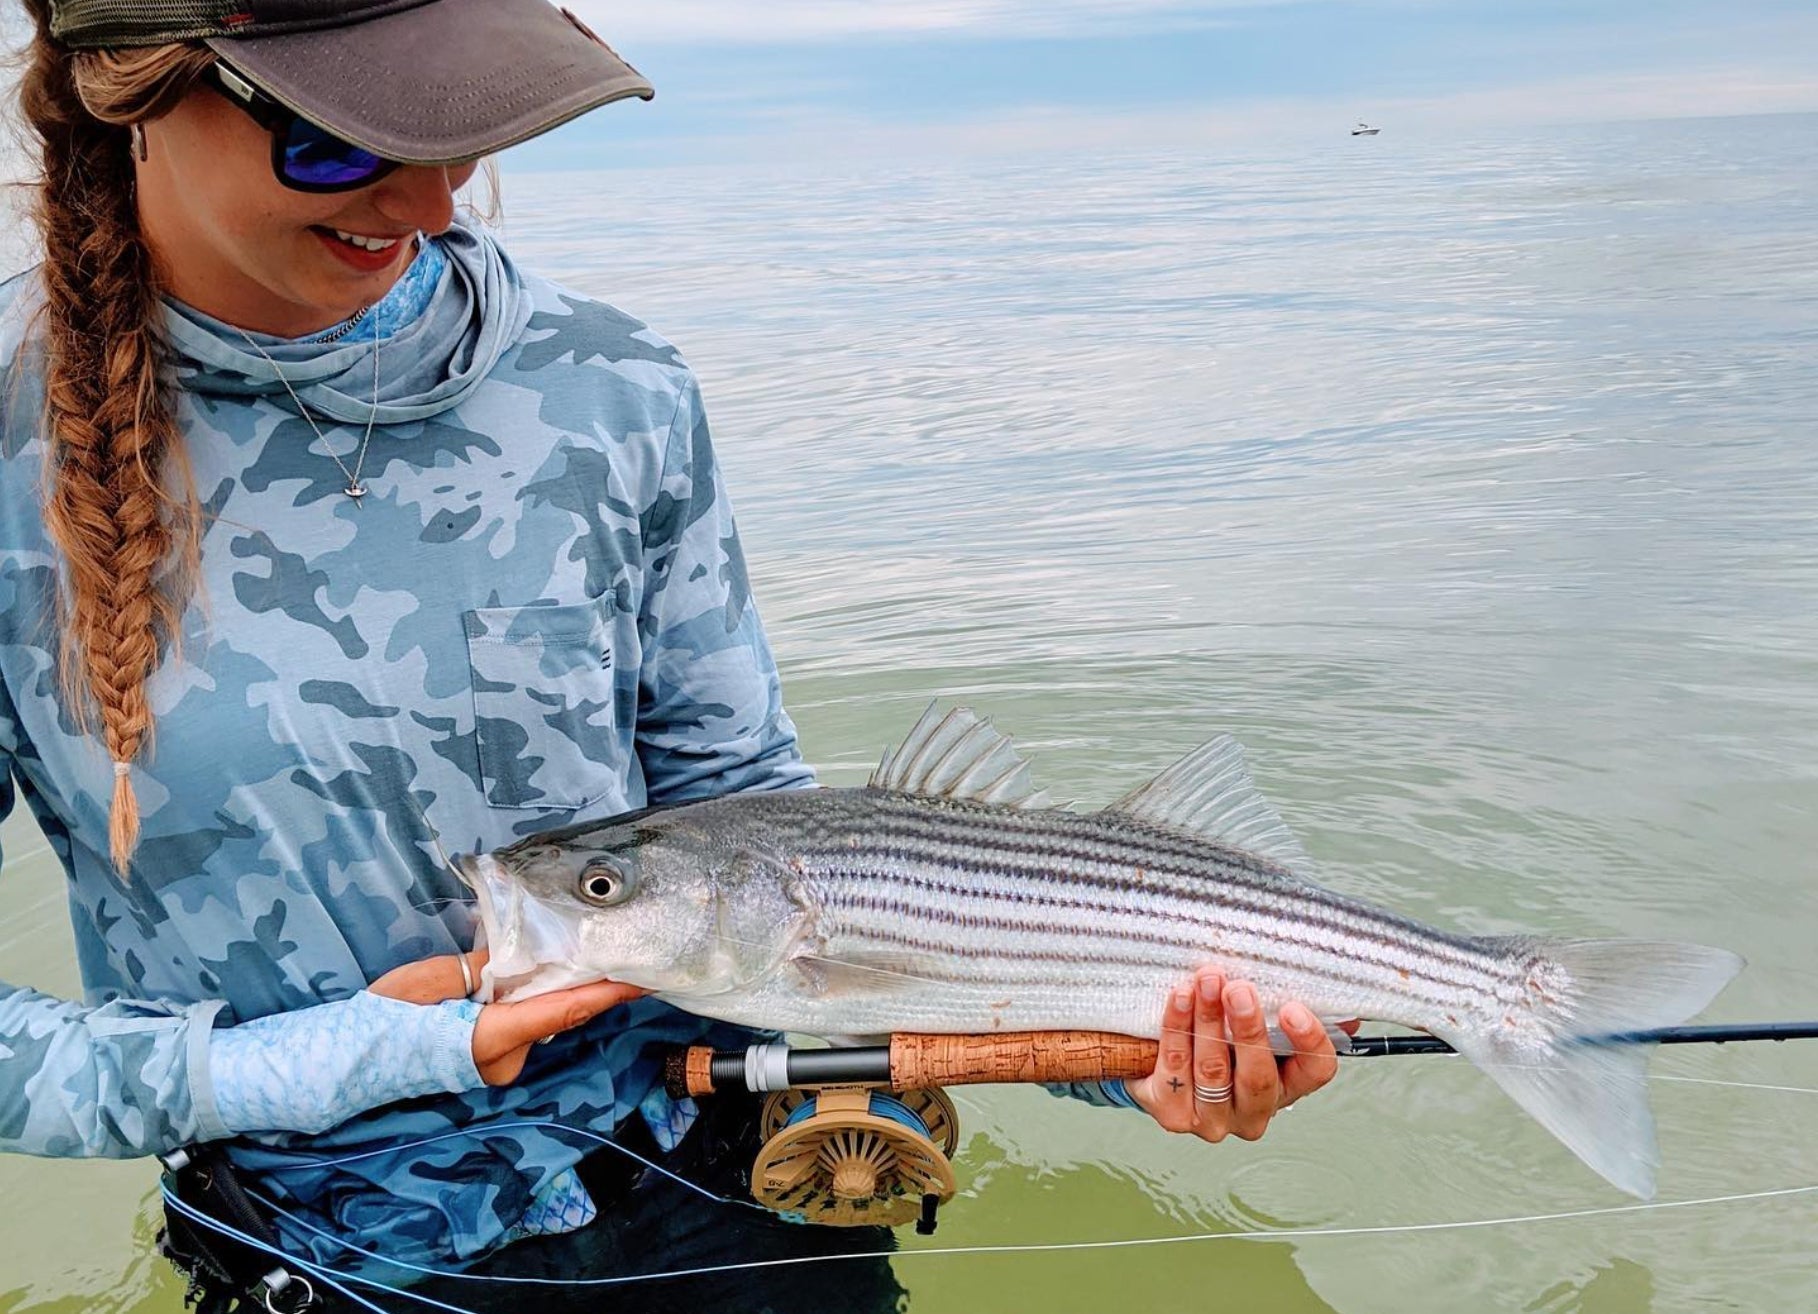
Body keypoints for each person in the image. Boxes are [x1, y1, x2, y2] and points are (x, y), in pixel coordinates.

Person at [0, 1, 1343, 1309]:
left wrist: (1129, 1035)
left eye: (459, 133)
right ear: (133, 89)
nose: (427, 209)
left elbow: (786, 851)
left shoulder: (613, 384)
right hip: (339, 1254)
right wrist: (307, 1065)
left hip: (738, 1179)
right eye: (338, 144)